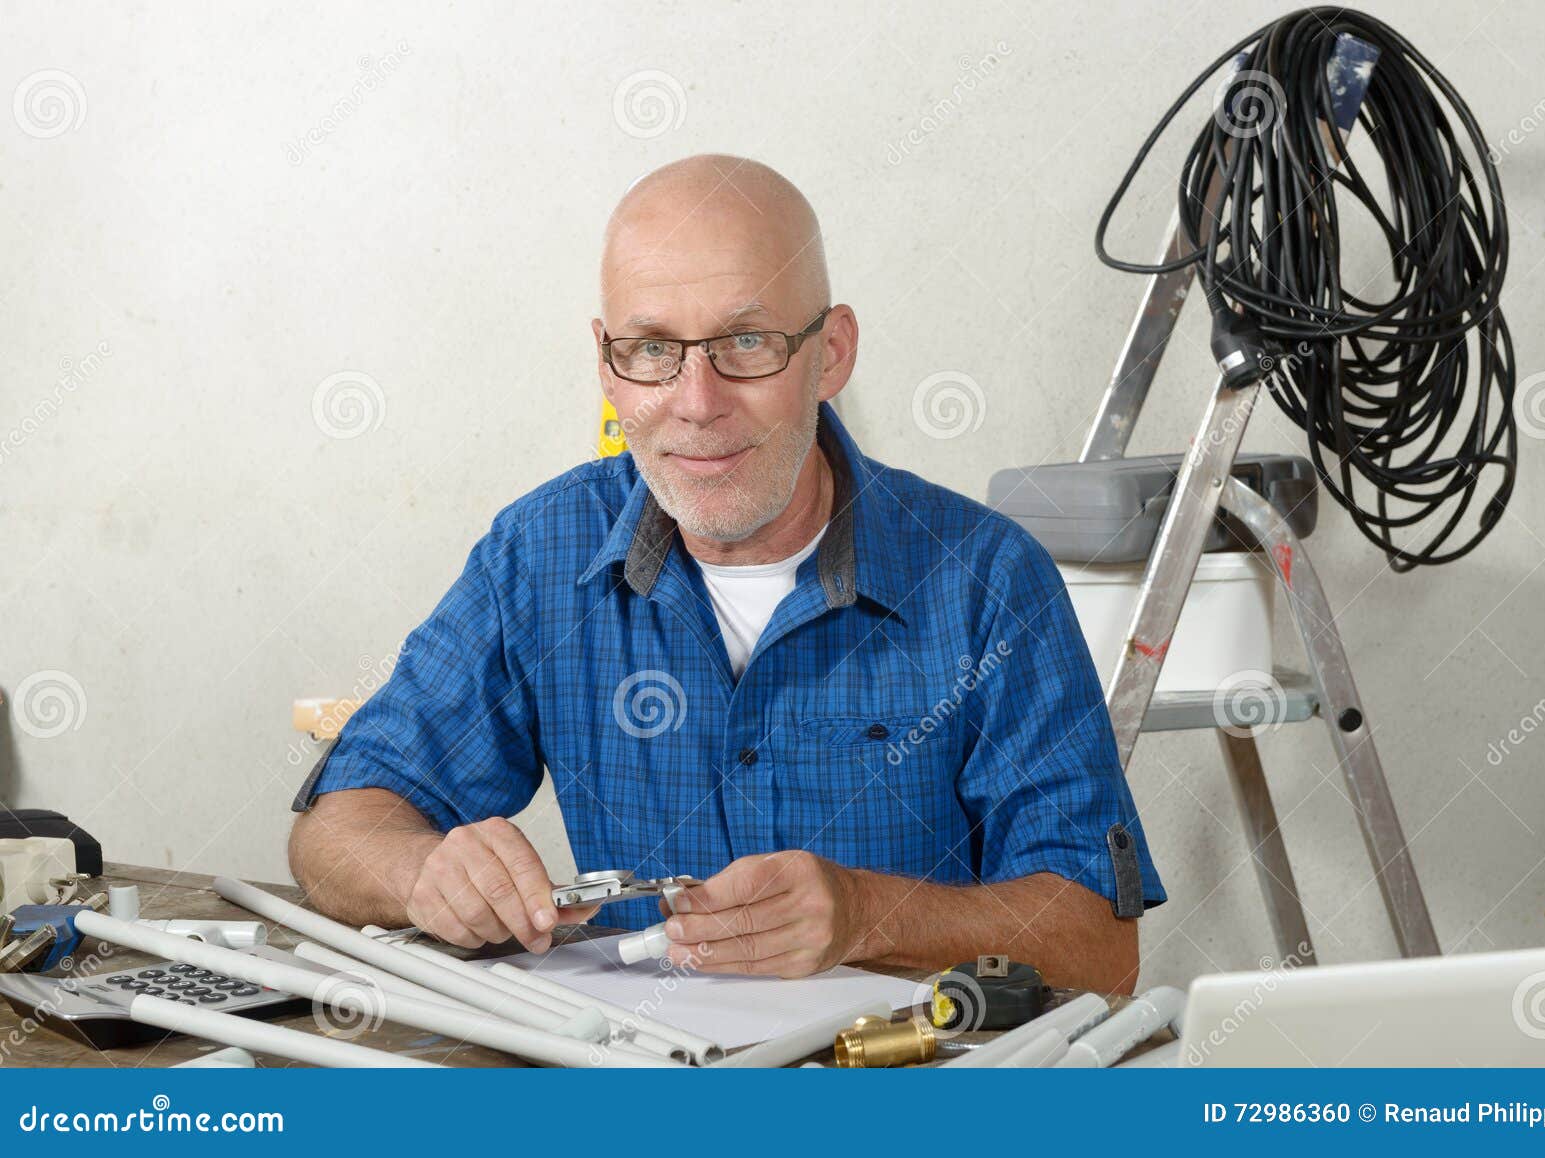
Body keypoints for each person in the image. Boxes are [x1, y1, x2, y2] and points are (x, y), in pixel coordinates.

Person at [287, 154, 1163, 992]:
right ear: (606, 365)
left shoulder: (986, 580)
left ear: (833, 353)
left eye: (747, 341)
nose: (697, 403)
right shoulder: (539, 555)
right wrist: (425, 873)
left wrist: (868, 916)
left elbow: (1097, 946)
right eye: (652, 349)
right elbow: (339, 827)